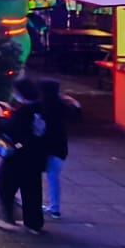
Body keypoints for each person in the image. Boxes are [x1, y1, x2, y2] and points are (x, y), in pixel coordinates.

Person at [0, 77, 49, 234]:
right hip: (37, 156)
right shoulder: (42, 108)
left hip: (19, 156)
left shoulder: (24, 111)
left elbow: (11, 128)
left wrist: (1, 114)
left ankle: (7, 217)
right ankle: (34, 223)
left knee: (4, 184)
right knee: (32, 189)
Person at [40, 79, 80, 221]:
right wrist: (73, 101)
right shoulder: (62, 106)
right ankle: (55, 208)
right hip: (59, 146)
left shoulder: (40, 106)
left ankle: (35, 203)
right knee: (53, 176)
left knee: (34, 174)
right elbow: (77, 113)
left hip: (42, 145)